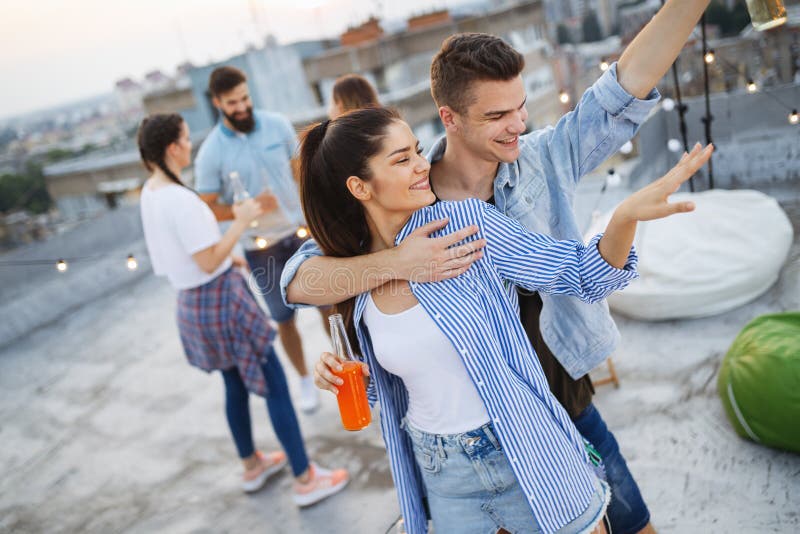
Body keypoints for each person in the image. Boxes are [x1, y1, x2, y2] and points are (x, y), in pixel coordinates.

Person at [283, 3, 712, 532]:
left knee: (633, 523)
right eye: (496, 116)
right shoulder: (407, 208)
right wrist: (398, 263)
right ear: (451, 118)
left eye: (521, 107)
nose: (519, 125)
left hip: (556, 394)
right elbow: (299, 279)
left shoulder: (533, 164)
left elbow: (621, 93)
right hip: (453, 456)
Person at [137, 113, 349, 505]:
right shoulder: (181, 200)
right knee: (273, 384)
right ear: (172, 148)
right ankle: (305, 479)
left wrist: (228, 257)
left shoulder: (150, 192)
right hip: (220, 298)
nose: (189, 146)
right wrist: (242, 220)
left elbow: (185, 257)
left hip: (189, 302)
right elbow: (206, 259)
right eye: (185, 139)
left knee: (234, 384)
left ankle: (252, 466)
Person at [194, 66, 323, 413]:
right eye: (233, 102)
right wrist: (242, 210)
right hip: (261, 248)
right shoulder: (210, 153)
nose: (242, 107)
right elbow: (207, 207)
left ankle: (348, 367)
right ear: (218, 103)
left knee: (331, 303)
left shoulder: (277, 124)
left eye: (245, 98)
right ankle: (305, 380)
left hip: (303, 234)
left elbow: (301, 172)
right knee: (284, 319)